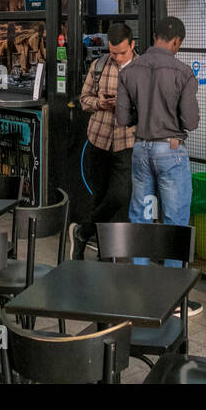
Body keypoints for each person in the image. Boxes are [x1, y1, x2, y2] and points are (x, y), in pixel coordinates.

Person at [116, 17, 200, 289]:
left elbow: (121, 117)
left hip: (140, 148)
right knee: (175, 222)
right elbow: (190, 122)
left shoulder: (128, 71)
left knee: (140, 216)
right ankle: (173, 290)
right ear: (176, 42)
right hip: (171, 150)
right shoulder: (183, 72)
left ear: (154, 36)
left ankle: (140, 285)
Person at [69, 23, 138, 260]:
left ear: (132, 45)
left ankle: (83, 231)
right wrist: (101, 103)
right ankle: (102, 253)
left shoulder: (144, 71)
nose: (117, 57)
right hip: (99, 139)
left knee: (120, 195)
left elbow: (150, 107)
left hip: (127, 141)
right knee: (98, 195)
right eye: (113, 52)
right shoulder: (98, 66)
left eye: (122, 53)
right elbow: (83, 100)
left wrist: (125, 104)